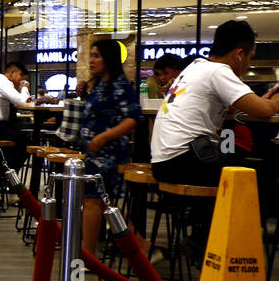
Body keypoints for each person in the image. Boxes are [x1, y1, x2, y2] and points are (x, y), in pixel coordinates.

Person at [150, 20, 279, 186]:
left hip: (163, 162)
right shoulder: (219, 71)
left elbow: (238, 106)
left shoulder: (196, 66)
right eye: (250, 57)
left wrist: (259, 102)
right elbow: (263, 110)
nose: (249, 64)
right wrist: (275, 99)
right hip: (183, 162)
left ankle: (204, 212)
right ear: (239, 54)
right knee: (258, 179)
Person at [79, 40, 142, 254]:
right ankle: (141, 248)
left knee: (93, 200)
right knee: (105, 203)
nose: (92, 60)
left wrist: (103, 137)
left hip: (108, 154)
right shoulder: (100, 85)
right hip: (95, 152)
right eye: (91, 55)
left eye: (97, 55)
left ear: (109, 58)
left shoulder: (120, 85)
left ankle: (88, 254)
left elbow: (132, 119)